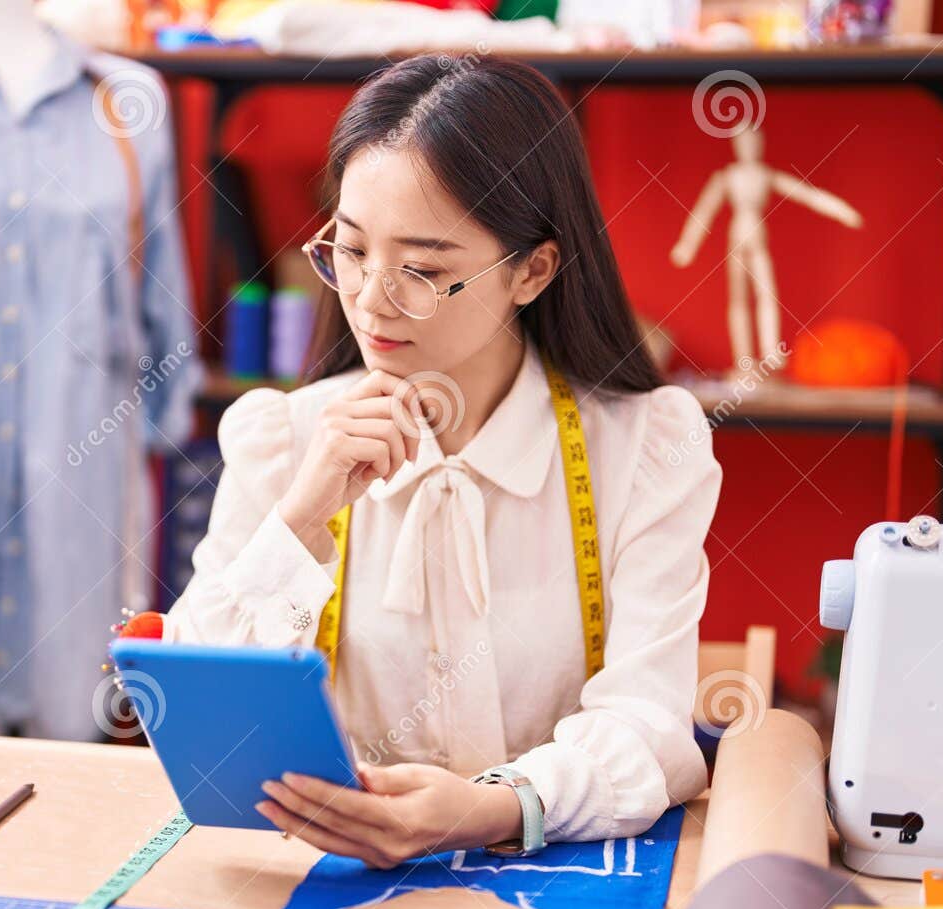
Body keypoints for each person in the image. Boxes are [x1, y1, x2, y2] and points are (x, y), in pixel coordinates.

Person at [164, 56, 722, 868]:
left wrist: (492, 807)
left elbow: (651, 728)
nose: (371, 299)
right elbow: (198, 721)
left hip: (558, 880)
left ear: (534, 269)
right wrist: (302, 514)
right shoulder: (283, 439)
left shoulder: (645, 450)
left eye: (422, 270)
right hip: (323, 885)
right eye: (349, 251)